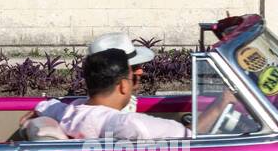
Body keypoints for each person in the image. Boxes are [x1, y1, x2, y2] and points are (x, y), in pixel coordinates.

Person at [31, 48, 233, 141]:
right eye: (132, 77)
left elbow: (46, 106)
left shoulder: (69, 111)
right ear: (122, 86)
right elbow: (189, 136)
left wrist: (38, 113)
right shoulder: (129, 124)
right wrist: (222, 103)